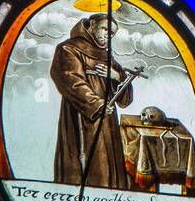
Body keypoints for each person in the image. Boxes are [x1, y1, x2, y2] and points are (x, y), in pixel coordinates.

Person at [50, 11, 136, 189]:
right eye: (105, 29)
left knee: (108, 166)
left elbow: (124, 100)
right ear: (91, 25)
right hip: (82, 115)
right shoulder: (68, 49)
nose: (108, 35)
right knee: (85, 164)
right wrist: (97, 104)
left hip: (107, 117)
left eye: (112, 33)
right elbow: (71, 81)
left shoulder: (106, 56)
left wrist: (118, 76)